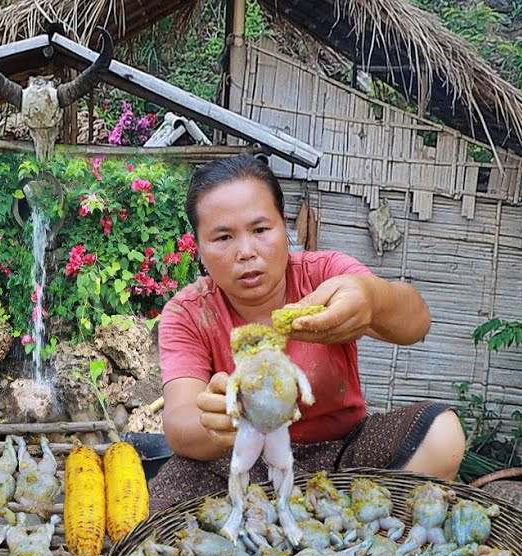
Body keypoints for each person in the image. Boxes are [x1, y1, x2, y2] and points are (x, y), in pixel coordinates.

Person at [150, 153, 465, 512]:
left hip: (344, 456)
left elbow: (417, 322)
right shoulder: (189, 312)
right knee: (161, 509)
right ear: (199, 248)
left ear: (284, 228)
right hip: (241, 462)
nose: (246, 252)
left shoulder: (326, 275)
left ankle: (360, 535)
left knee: (442, 435)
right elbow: (179, 422)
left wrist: (371, 300)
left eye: (260, 230)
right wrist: (218, 422)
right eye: (223, 238)